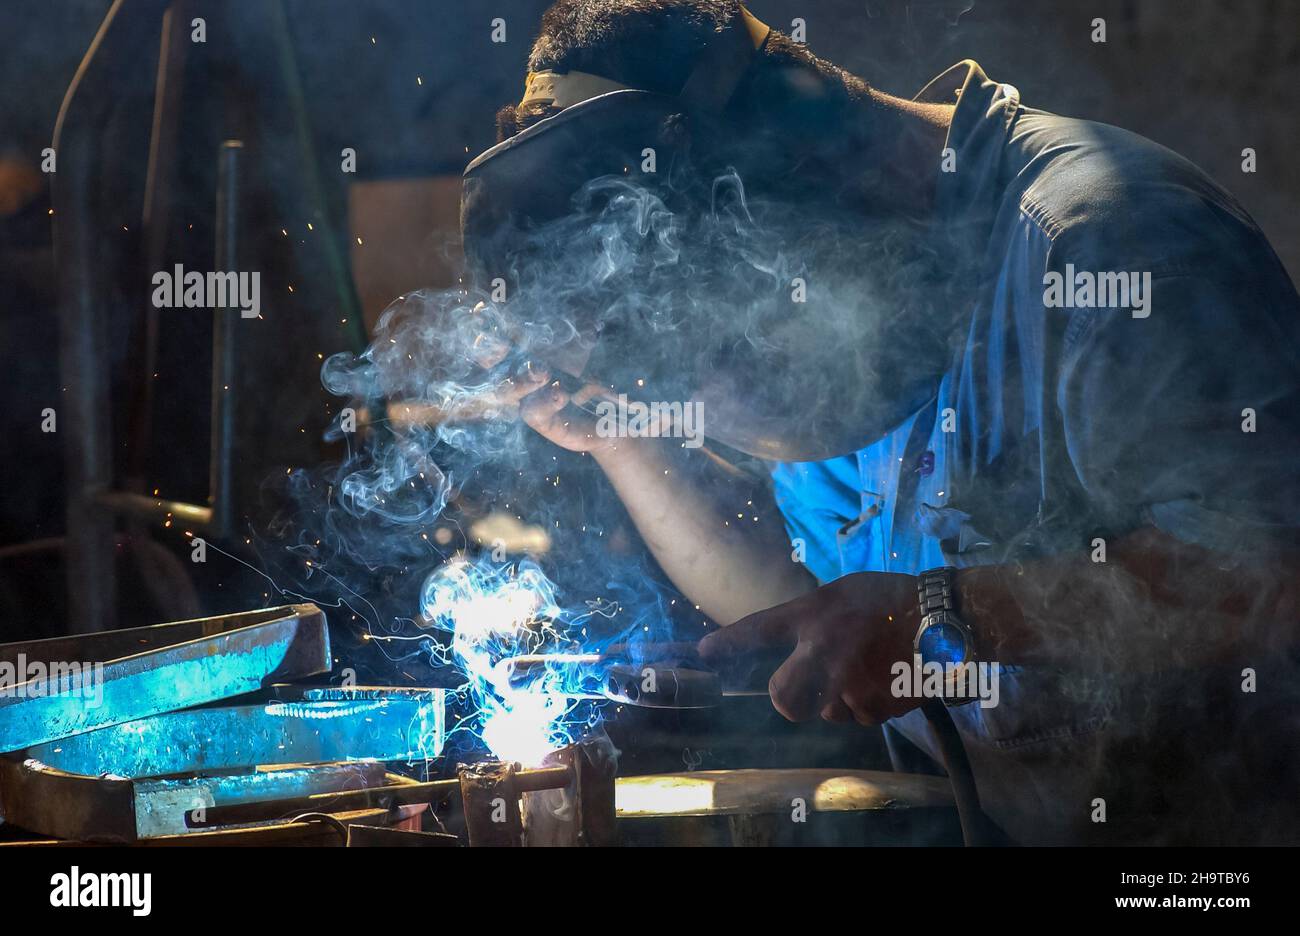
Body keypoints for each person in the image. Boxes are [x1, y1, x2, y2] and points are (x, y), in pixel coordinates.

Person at [469, 0, 1300, 844]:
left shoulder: (1107, 244)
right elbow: (810, 607)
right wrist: (624, 438)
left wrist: (943, 616)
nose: (723, 392)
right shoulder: (863, 318)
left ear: (795, 170)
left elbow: (1274, 576)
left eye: (724, 341)